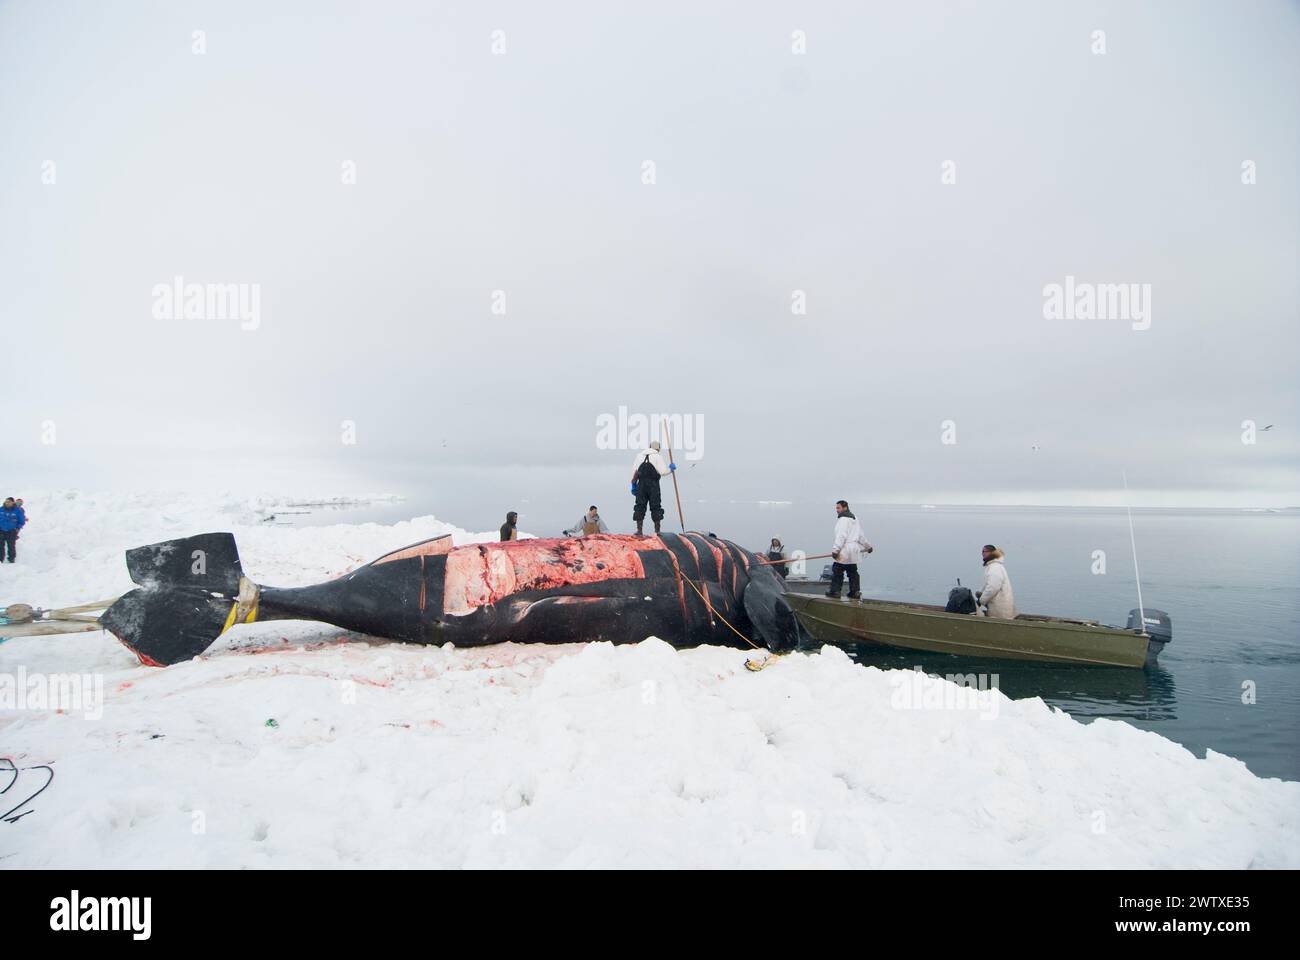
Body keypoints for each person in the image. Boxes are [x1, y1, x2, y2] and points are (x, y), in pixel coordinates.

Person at [827, 500, 872, 599]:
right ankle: (855, 592)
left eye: (838, 508)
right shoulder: (854, 518)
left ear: (845, 507)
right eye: (836, 508)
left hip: (845, 550)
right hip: (854, 550)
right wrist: (868, 546)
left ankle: (835, 592)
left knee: (837, 570)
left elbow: (841, 536)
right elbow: (860, 535)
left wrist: (835, 550)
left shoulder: (843, 520)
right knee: (852, 571)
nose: (837, 510)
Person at [630, 440, 674, 535]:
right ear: (658, 448)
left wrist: (633, 485)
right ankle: (657, 531)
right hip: (653, 485)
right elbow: (663, 472)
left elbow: (634, 471)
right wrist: (671, 469)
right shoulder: (658, 456)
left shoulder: (639, 456)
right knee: (655, 506)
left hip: (641, 485)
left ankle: (639, 530)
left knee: (640, 506)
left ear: (649, 446)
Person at [976, 544, 1016, 618]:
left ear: (991, 553)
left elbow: (993, 587)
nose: (982, 553)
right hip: (1001, 609)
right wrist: (981, 593)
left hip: (1000, 611)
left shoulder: (995, 567)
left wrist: (981, 601)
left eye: (984, 551)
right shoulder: (994, 566)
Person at [0, 496, 24, 563]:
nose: (7, 503)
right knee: (0, 545)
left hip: (11, 531)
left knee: (11, 546)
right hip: (1, 530)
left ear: (13, 503)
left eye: (9, 502)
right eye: (6, 501)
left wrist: (17, 528)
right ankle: (0, 559)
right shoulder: (1, 509)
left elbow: (22, 521)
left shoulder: (17, 511)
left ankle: (11, 559)